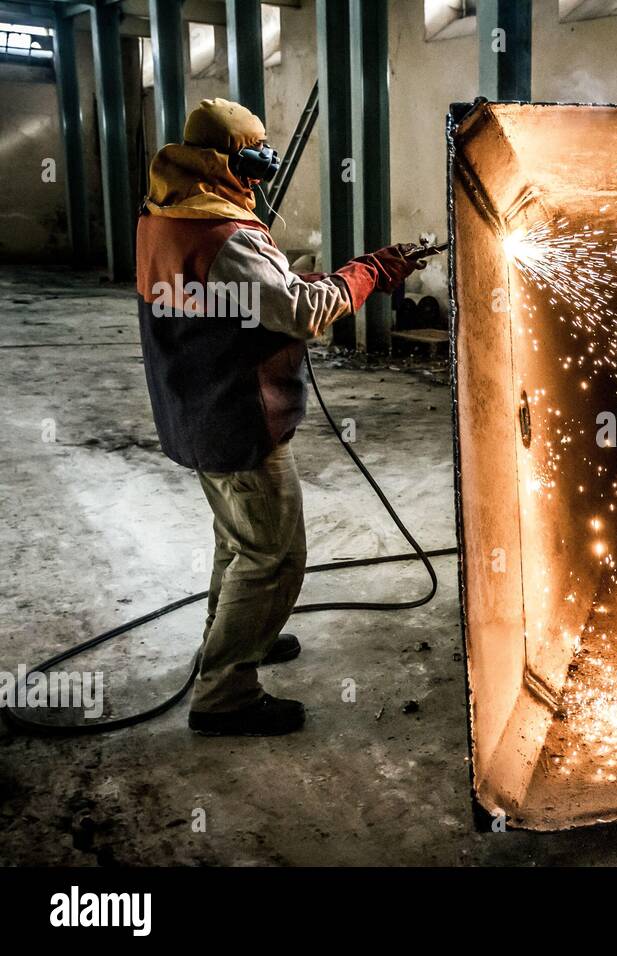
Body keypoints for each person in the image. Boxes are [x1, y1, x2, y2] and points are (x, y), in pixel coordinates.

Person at [135, 98, 423, 736]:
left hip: (194, 404)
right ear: (222, 160)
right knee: (273, 557)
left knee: (238, 541)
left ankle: (234, 640)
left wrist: (313, 277)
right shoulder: (225, 234)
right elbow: (298, 312)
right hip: (237, 413)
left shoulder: (169, 214)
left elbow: (249, 295)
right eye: (252, 152)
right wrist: (371, 272)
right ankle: (225, 693)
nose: (263, 163)